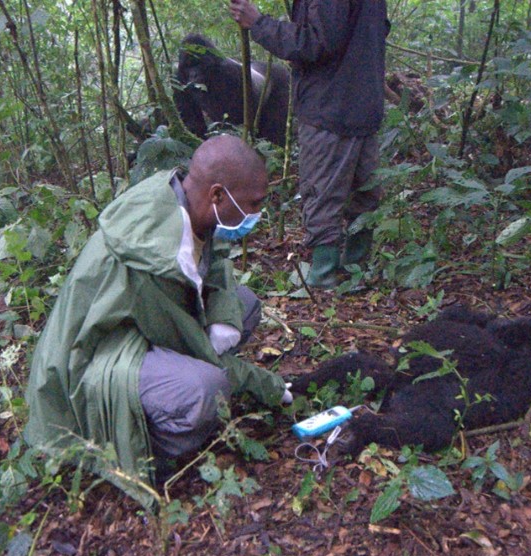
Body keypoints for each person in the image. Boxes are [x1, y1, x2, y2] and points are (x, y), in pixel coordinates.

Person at [24, 136, 291, 506]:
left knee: (243, 305)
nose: (258, 214)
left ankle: (165, 396)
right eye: (254, 204)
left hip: (144, 326)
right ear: (217, 196)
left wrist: (223, 320)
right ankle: (145, 441)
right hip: (94, 358)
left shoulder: (186, 199)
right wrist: (271, 386)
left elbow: (216, 260)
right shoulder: (156, 253)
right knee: (207, 388)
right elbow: (197, 347)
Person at [229, 0, 389, 288]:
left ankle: (323, 279)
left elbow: (316, 42)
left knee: (323, 194)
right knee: (363, 193)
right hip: (364, 102)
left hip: (330, 107)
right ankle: (355, 272)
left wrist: (259, 23)